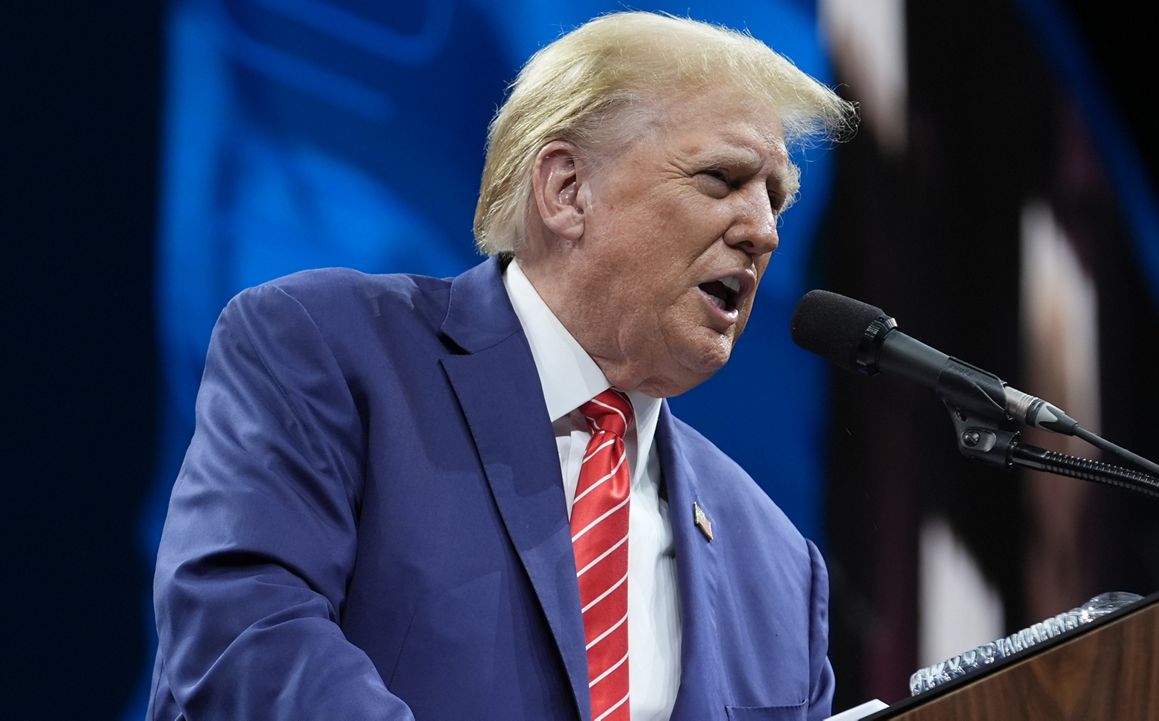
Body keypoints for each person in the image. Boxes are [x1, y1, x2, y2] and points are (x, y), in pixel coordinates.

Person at [148, 11, 856, 721]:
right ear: (567, 190)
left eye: (776, 197)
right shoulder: (331, 354)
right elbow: (244, 625)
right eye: (722, 178)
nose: (763, 230)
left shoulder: (780, 571)